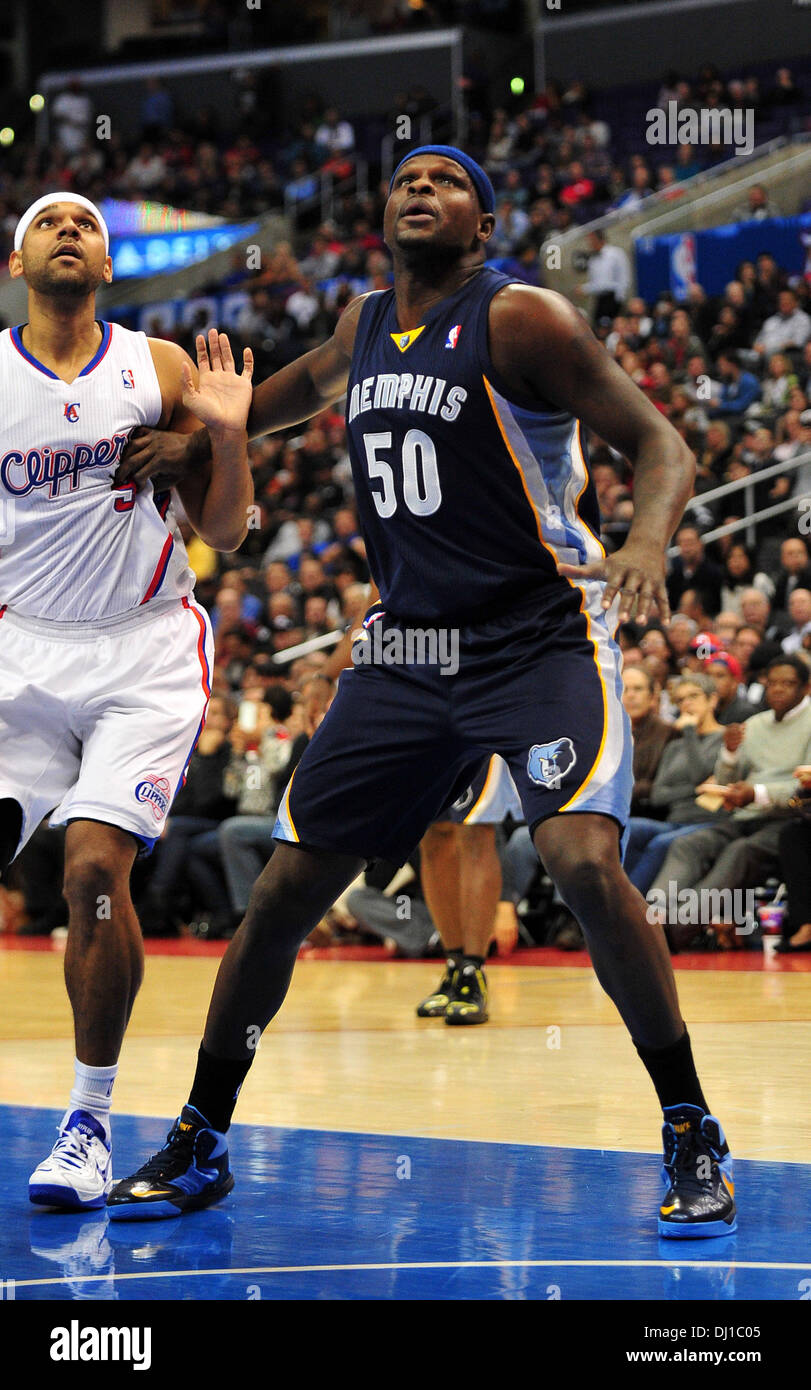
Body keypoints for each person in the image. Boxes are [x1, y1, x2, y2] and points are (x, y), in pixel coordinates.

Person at [108, 145, 735, 1239]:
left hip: (536, 636)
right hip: (404, 652)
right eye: (403, 177)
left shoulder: (524, 319)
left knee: (584, 859)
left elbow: (659, 441)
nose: (416, 188)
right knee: (281, 896)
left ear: (484, 227)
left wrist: (643, 540)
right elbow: (280, 399)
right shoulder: (358, 327)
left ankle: (688, 1125)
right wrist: (197, 432)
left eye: (446, 182)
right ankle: (203, 1133)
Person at [0, 193, 254, 1211]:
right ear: (18, 259)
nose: (69, 229)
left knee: (95, 870)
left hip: (143, 651)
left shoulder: (161, 369)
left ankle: (89, 1124)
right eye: (48, 220)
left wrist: (216, 441)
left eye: (87, 224)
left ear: (108, 265)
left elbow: (228, 529)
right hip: (22, 651)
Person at [648, 657, 811, 947]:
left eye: (787, 684)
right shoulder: (755, 723)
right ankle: (652, 920)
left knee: (740, 852)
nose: (777, 690)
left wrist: (756, 793)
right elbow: (726, 777)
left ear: (806, 687)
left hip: (789, 820)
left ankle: (672, 933)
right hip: (743, 816)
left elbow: (806, 784)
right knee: (688, 844)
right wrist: (730, 754)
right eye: (772, 683)